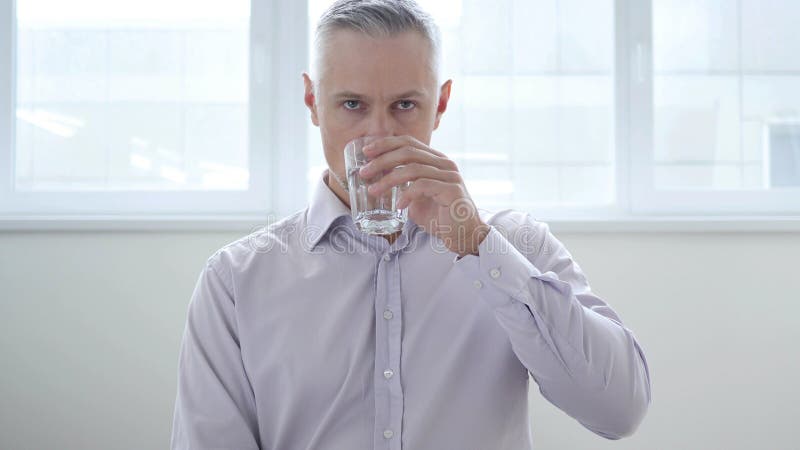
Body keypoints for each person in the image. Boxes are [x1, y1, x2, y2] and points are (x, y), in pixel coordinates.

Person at [170, 1, 651, 449]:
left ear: (440, 105)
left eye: (404, 105)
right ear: (312, 102)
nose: (378, 135)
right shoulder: (236, 280)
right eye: (352, 104)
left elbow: (619, 411)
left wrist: (477, 245)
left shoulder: (515, 244)